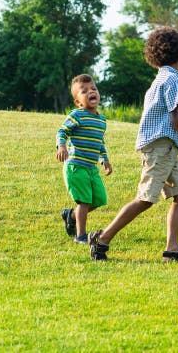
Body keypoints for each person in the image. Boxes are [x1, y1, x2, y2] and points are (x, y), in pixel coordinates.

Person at [89, 27, 178, 262]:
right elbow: (176, 117)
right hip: (161, 147)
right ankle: (102, 239)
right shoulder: (174, 79)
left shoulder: (159, 79)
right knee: (145, 199)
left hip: (164, 147)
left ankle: (172, 250)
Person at [56, 74, 112, 244]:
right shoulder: (77, 115)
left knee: (100, 199)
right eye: (84, 91)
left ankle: (71, 215)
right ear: (78, 102)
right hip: (76, 166)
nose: (91, 92)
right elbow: (62, 131)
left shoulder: (101, 120)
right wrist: (62, 146)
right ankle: (80, 236)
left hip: (91, 168)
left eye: (93, 89)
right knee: (84, 201)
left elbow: (99, 142)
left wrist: (105, 159)